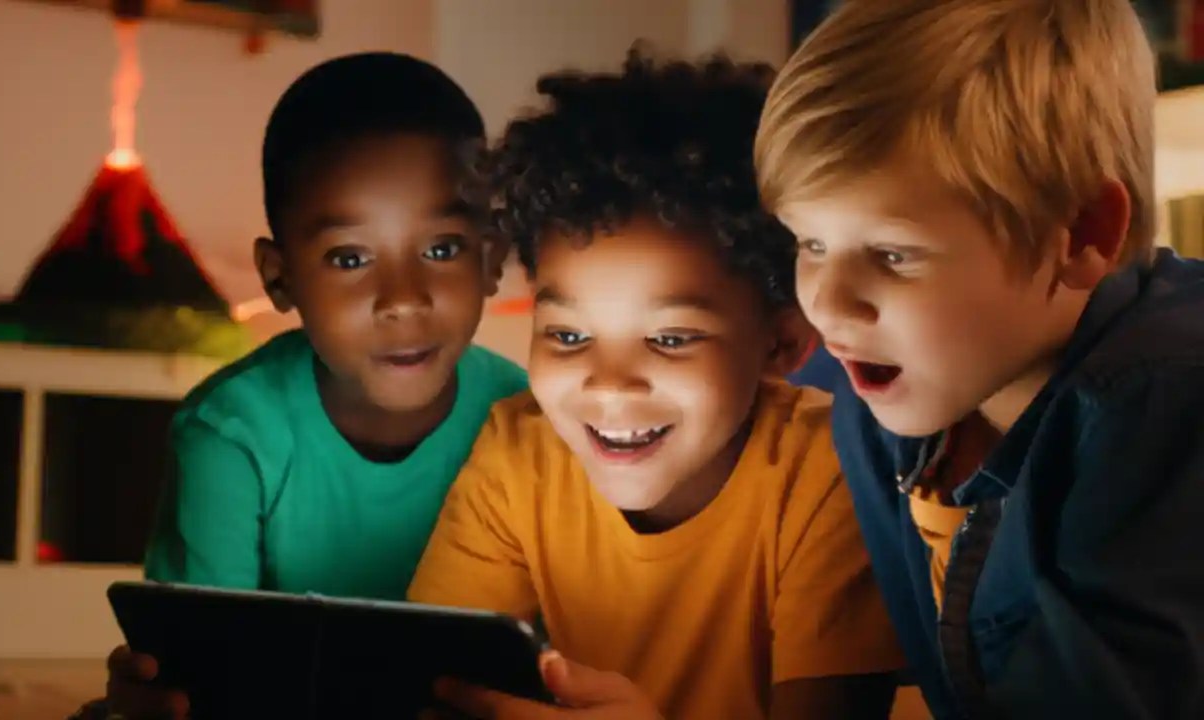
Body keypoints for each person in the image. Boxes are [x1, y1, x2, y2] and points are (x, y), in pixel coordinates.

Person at [410, 50, 904, 720]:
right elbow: (426, 683)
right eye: (568, 336)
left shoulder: (832, 473)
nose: (608, 387)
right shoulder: (517, 454)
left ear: (782, 342)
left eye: (671, 339)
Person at [753, 0, 1204, 717]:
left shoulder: (1163, 407)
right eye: (810, 243)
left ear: (1082, 234)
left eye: (893, 254)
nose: (828, 305)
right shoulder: (880, 399)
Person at [75, 52, 527, 720]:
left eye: (441, 249)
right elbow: (199, 672)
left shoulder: (527, 422)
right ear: (279, 276)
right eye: (350, 258)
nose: (403, 300)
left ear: (490, 257)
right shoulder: (230, 433)